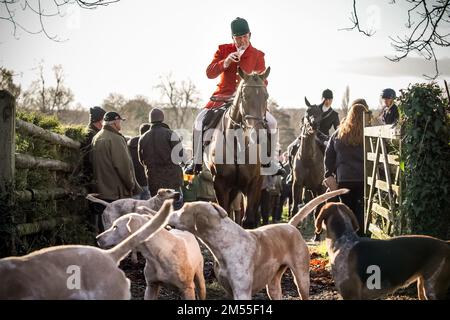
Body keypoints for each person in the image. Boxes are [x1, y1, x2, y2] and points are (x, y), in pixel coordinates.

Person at [184, 17, 284, 176]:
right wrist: (225, 62)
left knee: (272, 122)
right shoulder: (223, 50)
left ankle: (270, 161)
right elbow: (209, 73)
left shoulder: (258, 55)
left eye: (245, 36)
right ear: (233, 38)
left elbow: (262, 81)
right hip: (221, 98)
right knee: (199, 120)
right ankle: (195, 162)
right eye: (238, 38)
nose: (242, 40)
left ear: (250, 35)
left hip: (248, 102)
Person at [323, 100, 369, 237]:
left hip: (344, 179)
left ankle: (348, 239)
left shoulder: (339, 133)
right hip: (363, 179)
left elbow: (329, 155)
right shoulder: (368, 134)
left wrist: (328, 174)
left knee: (347, 211)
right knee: (361, 211)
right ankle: (361, 238)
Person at [91, 111, 142, 232]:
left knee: (104, 228)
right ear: (115, 122)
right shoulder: (116, 139)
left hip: (102, 190)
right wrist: (131, 185)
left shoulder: (96, 137)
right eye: (119, 121)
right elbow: (123, 166)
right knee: (119, 229)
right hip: (116, 192)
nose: (120, 124)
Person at [138, 108, 185, 209]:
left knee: (157, 210)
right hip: (172, 180)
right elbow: (180, 155)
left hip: (153, 181)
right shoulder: (170, 133)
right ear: (162, 118)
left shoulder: (143, 137)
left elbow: (141, 160)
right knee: (176, 208)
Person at [79, 106, 106, 233]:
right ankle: (95, 238)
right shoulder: (92, 135)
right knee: (95, 210)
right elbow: (91, 159)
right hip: (92, 177)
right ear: (99, 120)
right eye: (104, 120)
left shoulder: (92, 133)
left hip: (92, 176)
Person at [128, 123, 151, 200]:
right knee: (146, 207)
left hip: (134, 181)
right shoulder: (148, 143)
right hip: (146, 181)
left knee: (135, 207)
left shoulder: (128, 144)